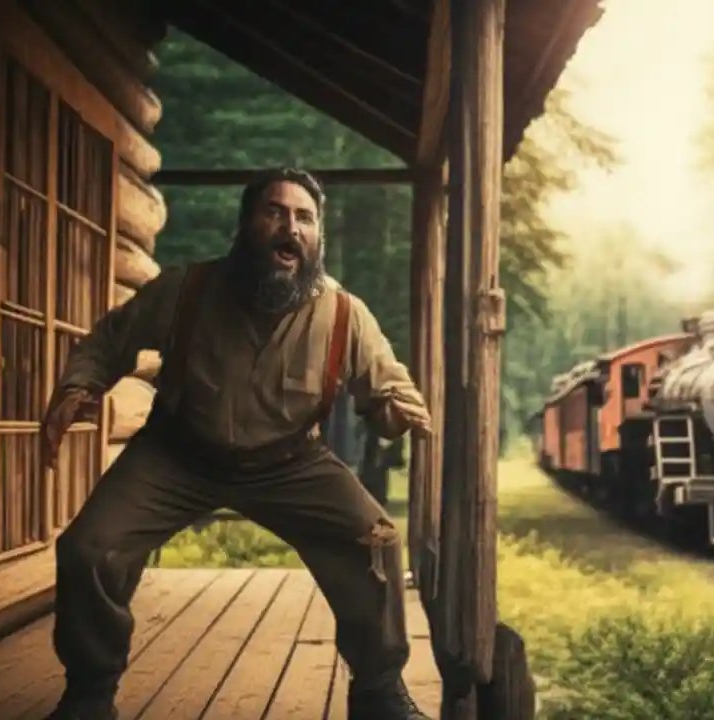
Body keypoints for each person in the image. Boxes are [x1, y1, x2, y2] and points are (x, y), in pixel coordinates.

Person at [39, 168, 434, 720]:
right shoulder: (185, 290)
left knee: (378, 542)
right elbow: (108, 341)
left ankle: (379, 693)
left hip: (290, 464)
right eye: (274, 212)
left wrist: (399, 413)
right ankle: (88, 692)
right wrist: (80, 386)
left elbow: (389, 392)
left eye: (304, 218)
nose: (289, 228)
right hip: (177, 454)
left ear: (317, 236)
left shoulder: (346, 313)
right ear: (248, 223)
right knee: (88, 548)